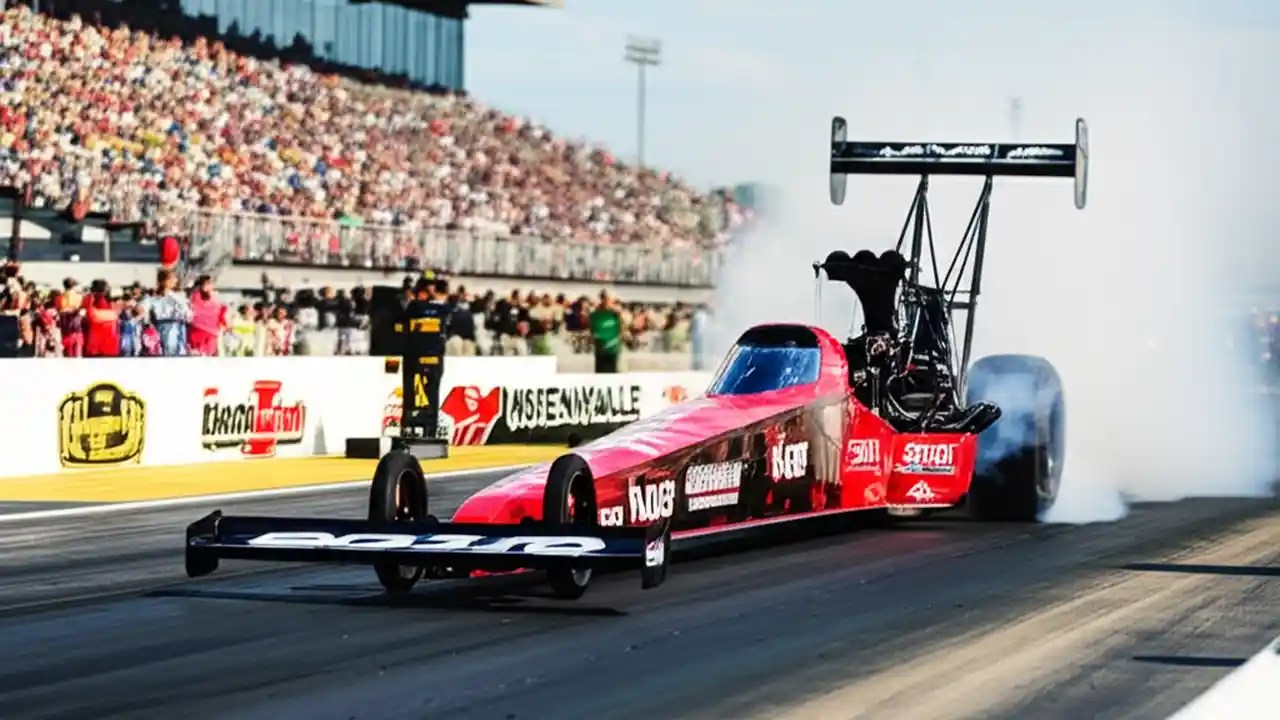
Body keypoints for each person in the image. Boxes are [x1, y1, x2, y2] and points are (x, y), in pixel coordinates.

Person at [589, 290, 623, 373]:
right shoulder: (598, 309)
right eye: (603, 298)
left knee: (610, 364)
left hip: (611, 341)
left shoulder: (613, 310)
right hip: (602, 341)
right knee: (601, 364)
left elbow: (618, 315)